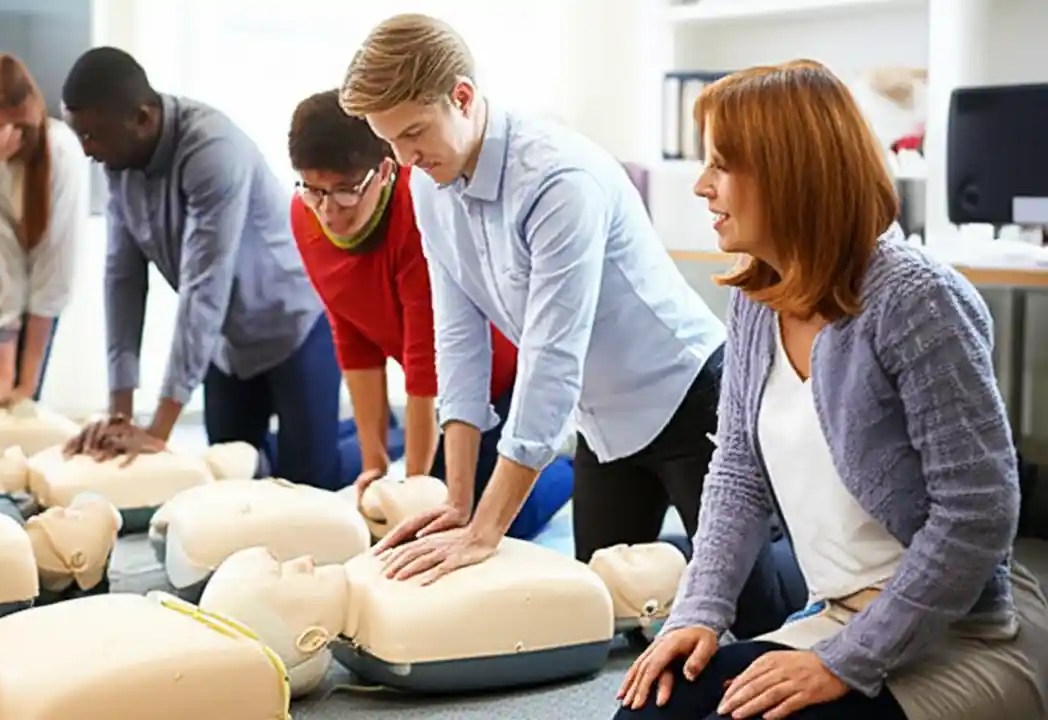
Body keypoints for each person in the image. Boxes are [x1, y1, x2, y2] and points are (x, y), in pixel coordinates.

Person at [338, 12, 800, 638]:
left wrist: (486, 530)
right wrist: (457, 500)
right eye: (390, 141)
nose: (405, 157)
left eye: (414, 133)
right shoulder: (429, 183)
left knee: (756, 614)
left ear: (463, 98)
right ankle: (693, 560)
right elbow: (459, 338)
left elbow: (551, 358)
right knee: (600, 609)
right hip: (603, 421)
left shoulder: (557, 178)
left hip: (691, 395)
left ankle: (820, 566)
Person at [617, 60, 1048, 720]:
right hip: (835, 618)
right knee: (647, 709)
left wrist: (845, 660)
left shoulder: (916, 300)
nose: (702, 186)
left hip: (957, 636)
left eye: (721, 166)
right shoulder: (757, 299)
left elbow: (979, 512)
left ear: (789, 172)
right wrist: (697, 611)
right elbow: (737, 474)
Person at [58, 47, 361, 491]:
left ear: (141, 118)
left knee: (310, 482)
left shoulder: (213, 149)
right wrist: (119, 414)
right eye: (80, 136)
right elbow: (122, 280)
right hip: (227, 344)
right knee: (230, 480)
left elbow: (204, 287)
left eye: (92, 137)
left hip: (293, 325)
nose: (87, 151)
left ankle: (390, 435)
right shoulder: (117, 160)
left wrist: (158, 432)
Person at [287, 88, 572, 540]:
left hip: (495, 375)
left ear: (384, 171)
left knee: (494, 520)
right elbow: (351, 336)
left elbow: (428, 362)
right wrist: (375, 463)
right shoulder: (305, 215)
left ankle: (568, 464)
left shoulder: (416, 207)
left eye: (345, 191)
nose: (328, 210)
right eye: (314, 190)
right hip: (440, 384)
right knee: (438, 511)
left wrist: (412, 490)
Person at [0, 51, 86, 408]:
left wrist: (24, 385)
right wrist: (3, 378)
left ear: (21, 123)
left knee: (22, 401)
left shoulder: (61, 153)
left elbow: (52, 273)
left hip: (43, 297)